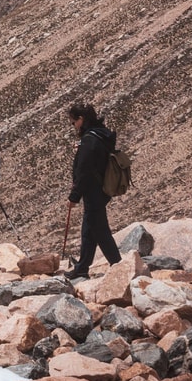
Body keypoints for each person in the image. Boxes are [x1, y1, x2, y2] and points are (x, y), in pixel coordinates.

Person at [64, 103, 123, 279]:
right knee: (89, 228)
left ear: (81, 119)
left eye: (73, 122)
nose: (73, 126)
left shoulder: (89, 140)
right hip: (103, 188)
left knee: (100, 230)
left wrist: (74, 196)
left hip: (93, 191)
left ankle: (118, 265)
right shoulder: (100, 134)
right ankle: (82, 266)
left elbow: (84, 170)